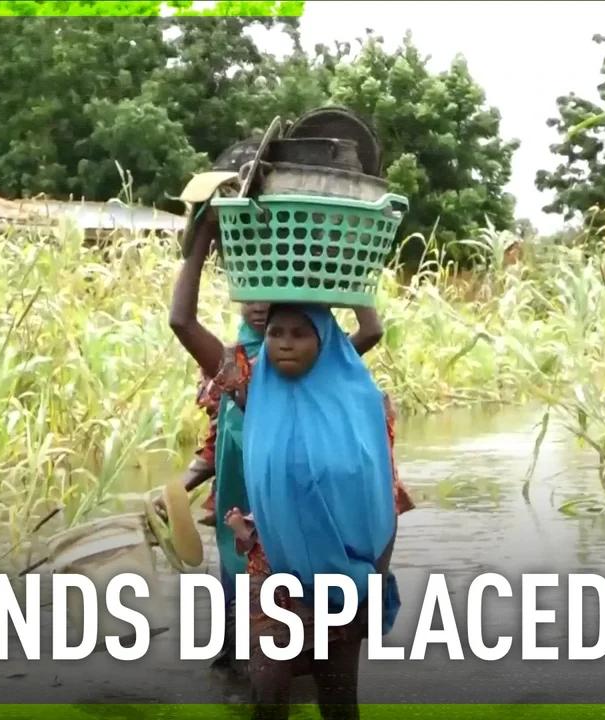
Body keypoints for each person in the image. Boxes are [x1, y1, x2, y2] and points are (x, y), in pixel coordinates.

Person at [169, 211, 412, 717]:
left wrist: (374, 581)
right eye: (276, 331)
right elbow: (182, 323)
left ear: (325, 341)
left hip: (347, 578)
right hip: (273, 574)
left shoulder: (364, 406)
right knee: (269, 696)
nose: (284, 341)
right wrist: (204, 236)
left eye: (300, 333)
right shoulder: (253, 390)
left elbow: (384, 501)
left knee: (340, 703)